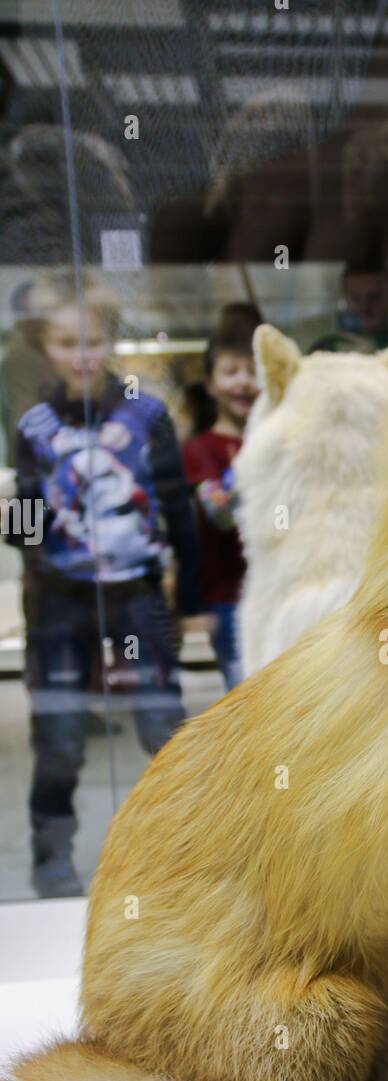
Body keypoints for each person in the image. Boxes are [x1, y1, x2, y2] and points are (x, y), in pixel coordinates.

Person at [4, 271, 202, 897]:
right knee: (59, 738)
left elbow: (175, 504)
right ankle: (53, 860)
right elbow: (26, 512)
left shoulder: (147, 415)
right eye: (66, 343)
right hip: (60, 601)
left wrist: (189, 583)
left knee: (163, 727)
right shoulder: (34, 424)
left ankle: (193, 853)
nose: (82, 355)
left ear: (113, 341)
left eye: (93, 341)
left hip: (136, 594)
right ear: (47, 346)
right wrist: (21, 527)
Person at [181, 327, 258, 689]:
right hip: (229, 597)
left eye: (252, 370)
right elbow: (220, 514)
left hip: (280, 587)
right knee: (246, 694)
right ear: (210, 384)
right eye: (231, 372)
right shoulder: (199, 449)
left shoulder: (280, 438)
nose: (244, 381)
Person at [310, 259, 388, 353]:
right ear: (345, 299)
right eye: (355, 298)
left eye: (373, 297)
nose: (364, 307)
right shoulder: (326, 349)